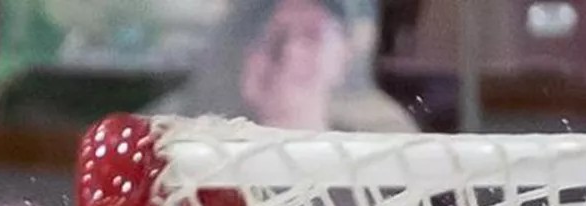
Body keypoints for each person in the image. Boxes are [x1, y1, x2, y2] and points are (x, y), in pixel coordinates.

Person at [151, 0, 414, 132]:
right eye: (273, 36)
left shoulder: (386, 136)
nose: (291, 51)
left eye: (312, 35)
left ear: (345, 54)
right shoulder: (174, 129)